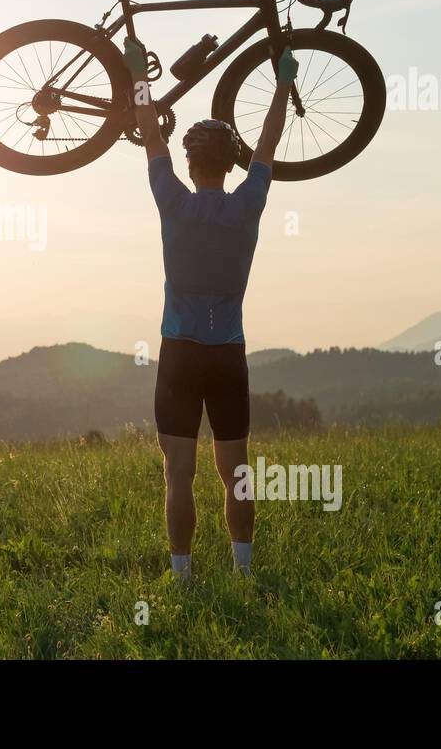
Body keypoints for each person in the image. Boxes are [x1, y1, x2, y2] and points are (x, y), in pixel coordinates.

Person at [129, 40, 299, 581]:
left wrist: (139, 76)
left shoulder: (172, 200)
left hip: (179, 353)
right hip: (228, 354)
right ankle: (243, 573)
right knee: (237, 473)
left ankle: (183, 577)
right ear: (232, 162)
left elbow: (151, 132)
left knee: (178, 474)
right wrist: (283, 83)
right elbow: (270, 142)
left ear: (190, 162)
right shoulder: (248, 203)